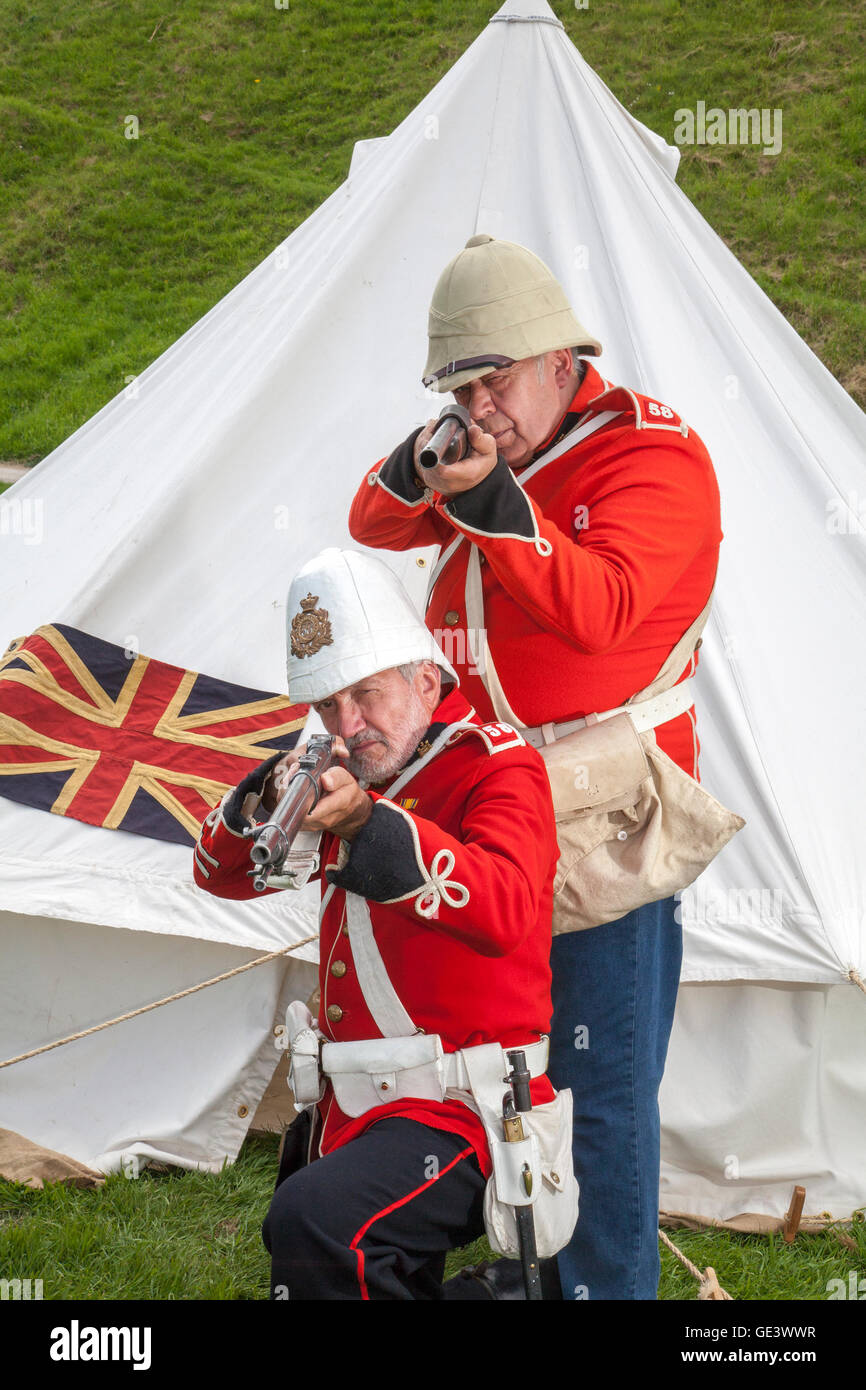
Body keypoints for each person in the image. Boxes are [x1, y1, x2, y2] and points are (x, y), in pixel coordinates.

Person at [348, 234, 728, 1300]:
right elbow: (369, 516)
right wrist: (433, 452)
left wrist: (485, 501)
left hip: (599, 818)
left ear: (561, 360)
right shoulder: (491, 444)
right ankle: (547, 1277)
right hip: (496, 809)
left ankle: (606, 1289)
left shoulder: (653, 456)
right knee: (508, 1071)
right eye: (458, 387)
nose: (480, 406)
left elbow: (601, 614)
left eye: (494, 379)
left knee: (599, 1092)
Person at [193, 546, 566, 1300]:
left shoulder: (497, 765)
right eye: (329, 705)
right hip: (355, 1105)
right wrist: (268, 799)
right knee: (316, 1241)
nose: (348, 723)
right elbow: (218, 877)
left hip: (464, 1106)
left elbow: (503, 907)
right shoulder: (344, 772)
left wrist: (371, 824)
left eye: (366, 695)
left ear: (425, 677)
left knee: (319, 1222)